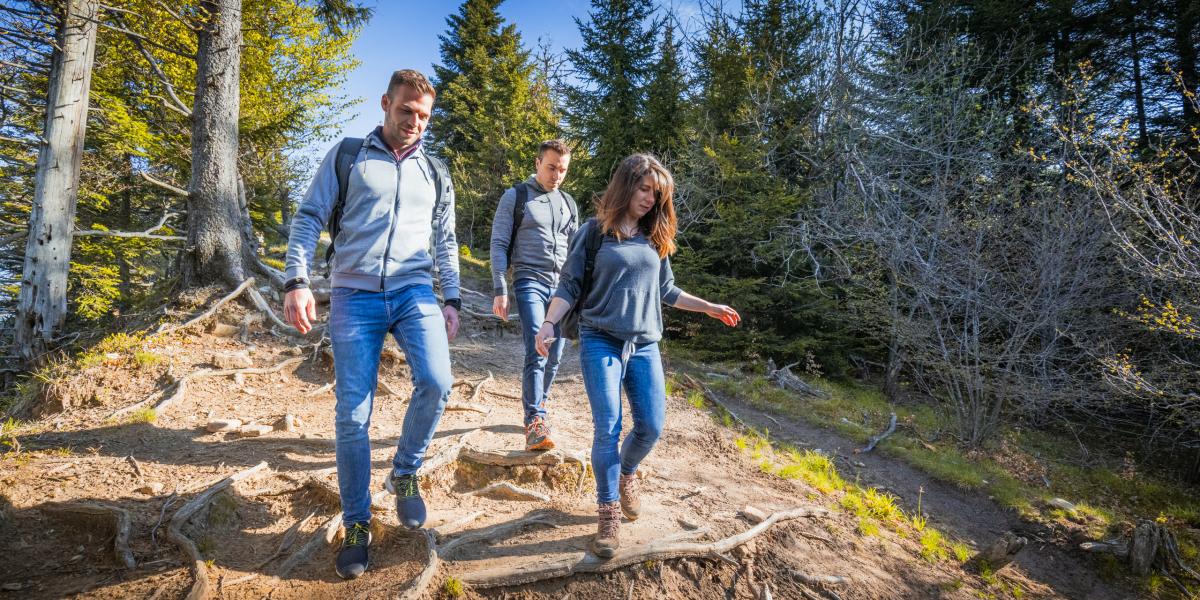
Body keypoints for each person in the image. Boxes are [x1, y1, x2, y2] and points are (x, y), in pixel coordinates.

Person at [283, 69, 460, 580]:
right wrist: (296, 280)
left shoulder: (436, 173)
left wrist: (451, 297)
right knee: (353, 415)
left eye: (424, 115)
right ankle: (358, 523)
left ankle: (405, 473)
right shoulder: (348, 155)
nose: (414, 122)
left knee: (437, 381)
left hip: (413, 292)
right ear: (386, 103)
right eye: (406, 110)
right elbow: (309, 217)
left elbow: (445, 241)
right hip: (353, 295)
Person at [533, 154, 740, 558]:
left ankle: (627, 472)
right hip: (600, 339)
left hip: (645, 344)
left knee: (650, 427)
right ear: (626, 185)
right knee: (607, 428)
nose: (650, 199)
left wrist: (710, 307)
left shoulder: (654, 237)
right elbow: (569, 286)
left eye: (656, 193)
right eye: (644, 189)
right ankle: (607, 512)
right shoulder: (594, 233)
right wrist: (549, 323)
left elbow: (668, 291)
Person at [489, 140, 578, 451]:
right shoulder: (516, 197)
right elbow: (499, 244)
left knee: (556, 356)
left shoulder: (569, 202)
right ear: (538, 162)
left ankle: (539, 403)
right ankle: (535, 419)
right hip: (529, 281)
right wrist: (500, 288)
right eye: (552, 167)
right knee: (538, 347)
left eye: (563, 170)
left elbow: (576, 251)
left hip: (563, 289)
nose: (557, 175)